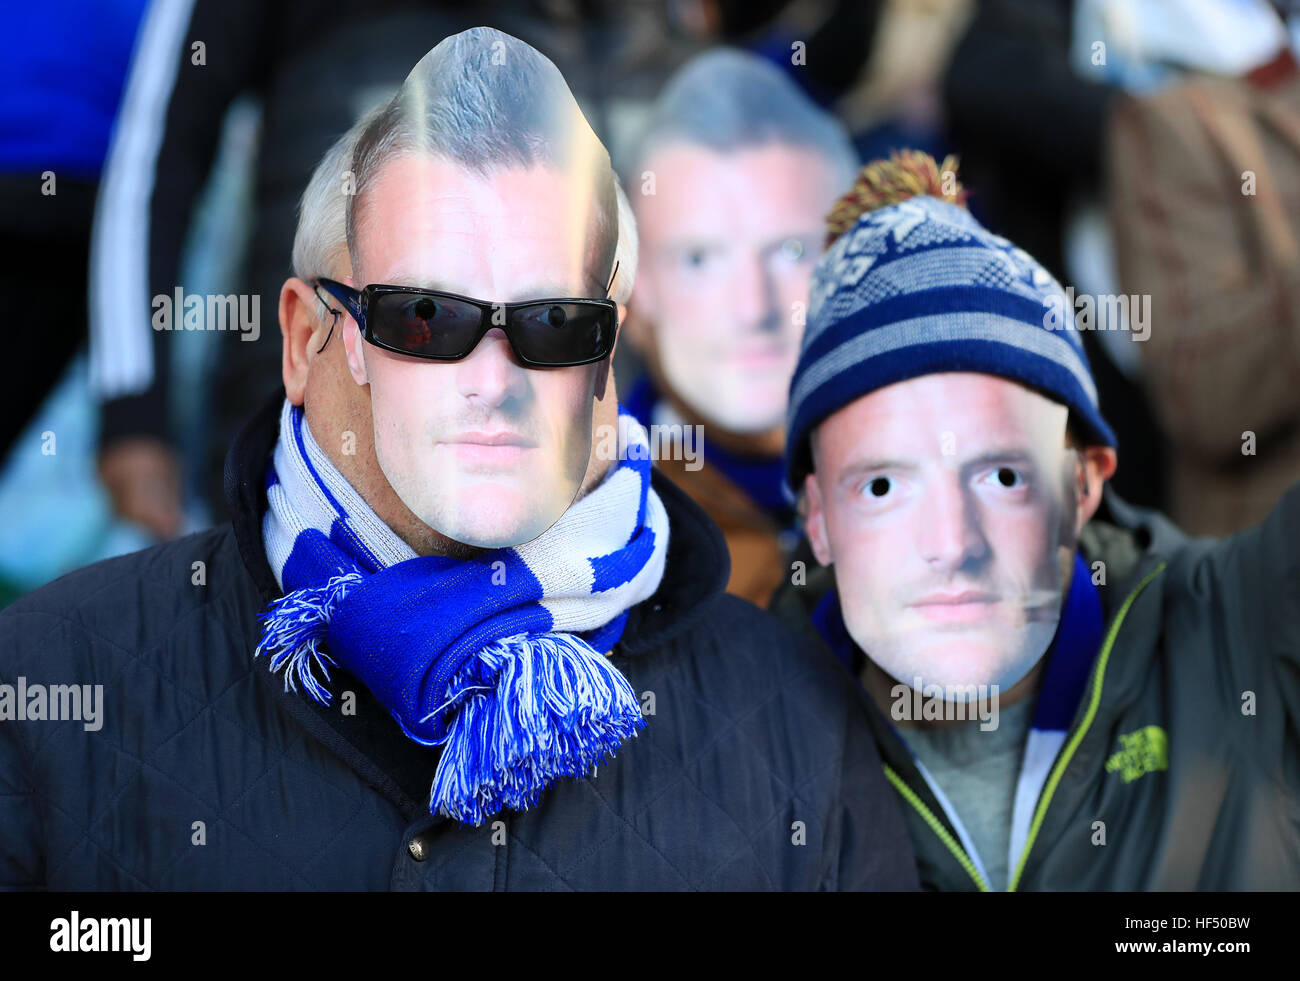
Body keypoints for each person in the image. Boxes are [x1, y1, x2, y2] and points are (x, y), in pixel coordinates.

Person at [0, 29, 917, 891]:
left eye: (556, 323)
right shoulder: (48, 684)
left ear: (608, 353)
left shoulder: (798, 716)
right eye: (426, 317)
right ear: (303, 339)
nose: (498, 381)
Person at [771, 151, 1300, 890]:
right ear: (817, 517)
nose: (954, 544)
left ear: (1083, 482)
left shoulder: (1246, 633)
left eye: (1004, 476)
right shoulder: (739, 739)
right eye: (885, 484)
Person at [620, 49, 857, 605]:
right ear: (634, 289)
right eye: (699, 259)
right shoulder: (587, 537)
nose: (755, 309)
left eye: (792, 251)